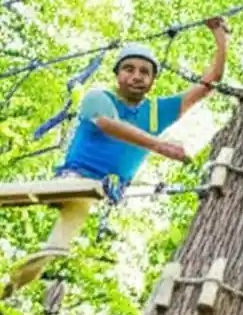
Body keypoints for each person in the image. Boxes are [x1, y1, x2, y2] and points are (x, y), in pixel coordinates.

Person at [4, 17, 229, 298]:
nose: (137, 76)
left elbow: (207, 85)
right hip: (75, 179)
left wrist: (220, 38)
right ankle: (41, 260)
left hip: (99, 190)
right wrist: (160, 145)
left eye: (145, 72)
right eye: (129, 69)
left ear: (152, 80)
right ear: (117, 75)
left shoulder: (157, 111)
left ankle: (20, 279)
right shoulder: (97, 97)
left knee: (64, 236)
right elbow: (108, 124)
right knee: (78, 198)